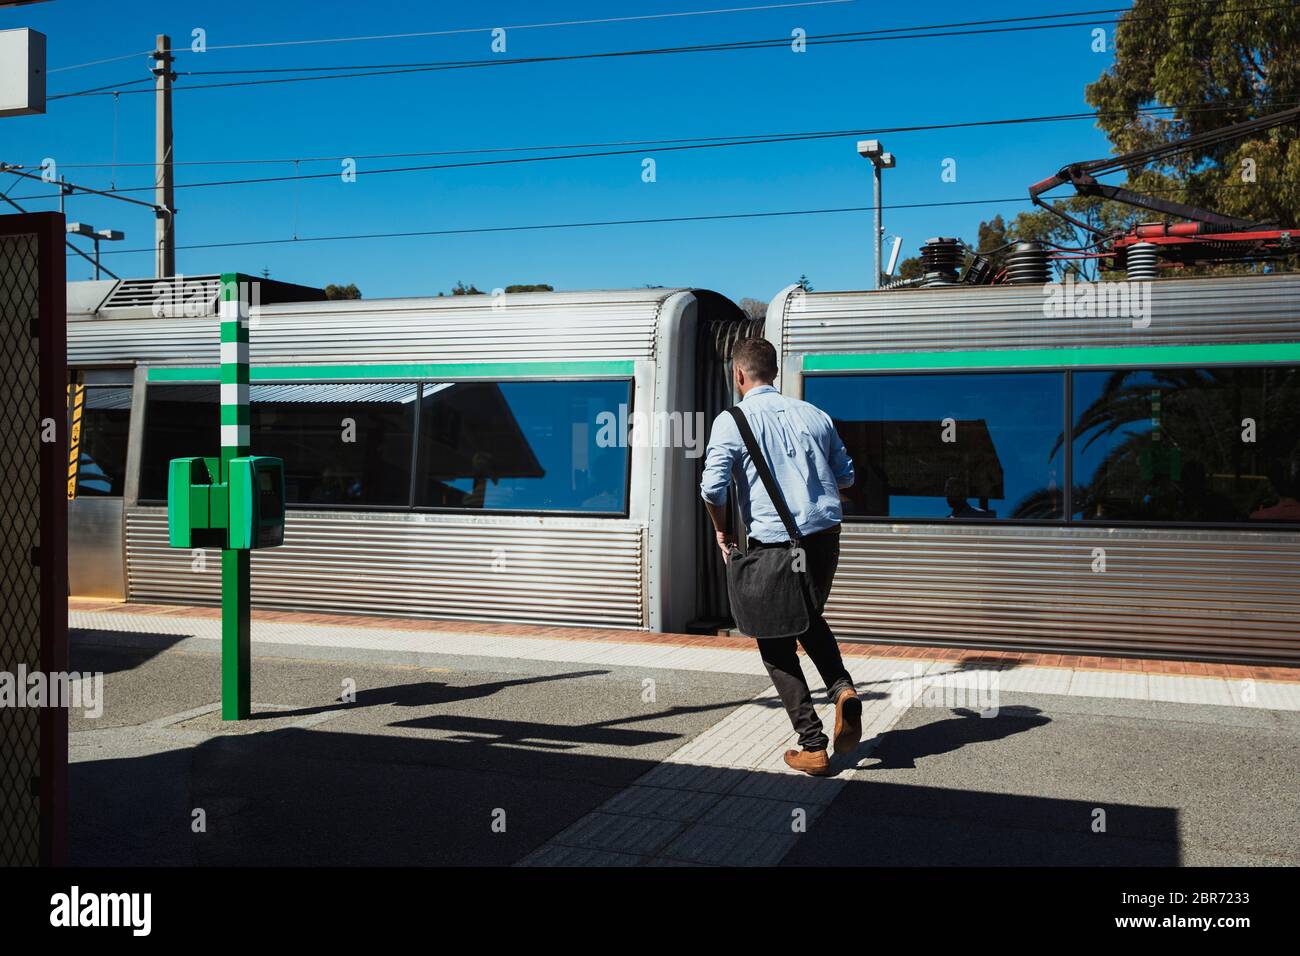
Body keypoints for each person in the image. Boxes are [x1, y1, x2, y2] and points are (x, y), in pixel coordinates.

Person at [699, 337, 860, 777]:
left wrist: (721, 527)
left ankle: (812, 745)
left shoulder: (731, 421)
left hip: (775, 544)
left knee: (774, 641)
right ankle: (842, 690)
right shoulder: (815, 414)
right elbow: (847, 475)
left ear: (738, 375)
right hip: (825, 539)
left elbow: (712, 489)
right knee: (806, 618)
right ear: (774, 372)